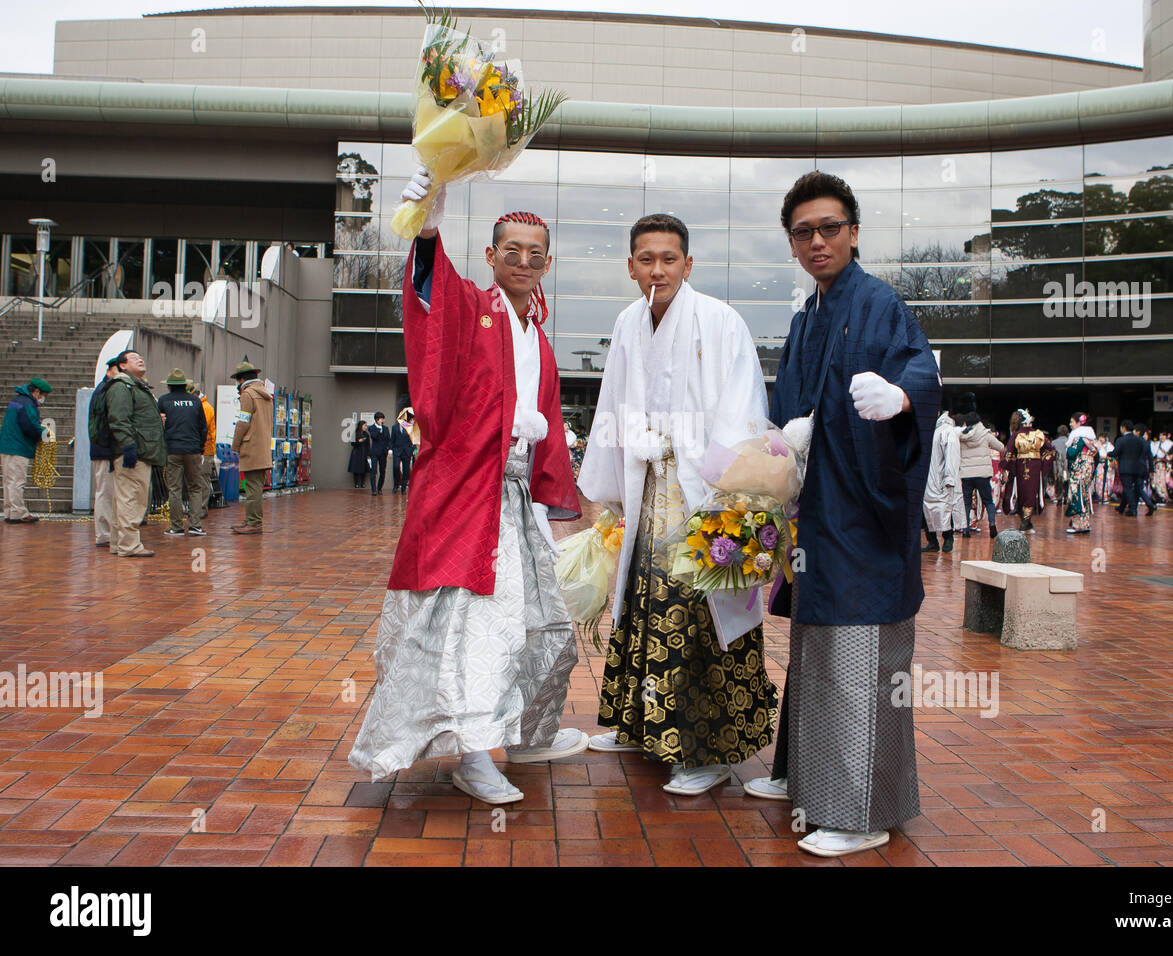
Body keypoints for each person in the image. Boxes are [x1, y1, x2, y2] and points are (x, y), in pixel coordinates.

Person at [349, 172, 588, 804]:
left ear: (547, 262)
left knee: (546, 623)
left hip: (513, 500)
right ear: (490, 256)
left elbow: (546, 424)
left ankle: (529, 731)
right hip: (466, 496)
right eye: (511, 250)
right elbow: (433, 297)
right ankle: (475, 753)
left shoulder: (538, 334)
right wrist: (428, 225)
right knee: (478, 629)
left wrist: (543, 471)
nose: (523, 262)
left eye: (536, 253)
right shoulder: (473, 309)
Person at [745, 171, 941, 858]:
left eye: (830, 227)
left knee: (859, 651)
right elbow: (792, 409)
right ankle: (803, 774)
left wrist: (902, 399)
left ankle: (862, 811)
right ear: (792, 242)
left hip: (864, 515)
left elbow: (922, 370)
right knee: (814, 646)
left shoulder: (881, 303)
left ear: (854, 232)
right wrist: (783, 440)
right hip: (817, 512)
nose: (818, 240)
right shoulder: (808, 317)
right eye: (804, 231)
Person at [578, 213, 778, 795]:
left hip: (706, 494)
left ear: (688, 265)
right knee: (642, 603)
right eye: (646, 259)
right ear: (631, 266)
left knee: (698, 613)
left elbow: (742, 405)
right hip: (647, 487)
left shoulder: (719, 321)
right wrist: (614, 490)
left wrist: (731, 498)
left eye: (669, 259)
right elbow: (612, 402)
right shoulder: (626, 322)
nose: (657, 270)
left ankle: (707, 748)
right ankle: (644, 725)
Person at [105, 351, 165, 557]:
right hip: (134, 451)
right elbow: (119, 418)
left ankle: (118, 543)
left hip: (138, 450)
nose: (140, 360)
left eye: (141, 357)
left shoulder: (134, 386)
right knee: (133, 499)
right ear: (122, 365)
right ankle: (129, 545)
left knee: (123, 499)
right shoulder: (123, 387)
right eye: (134, 358)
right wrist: (128, 446)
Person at [156, 368, 209, 537]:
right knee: (195, 488)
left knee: (174, 489)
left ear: (169, 386)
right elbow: (203, 427)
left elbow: (157, 425)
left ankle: (176, 526)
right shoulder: (195, 401)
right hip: (193, 449)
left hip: (172, 449)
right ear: (185, 385)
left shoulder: (164, 401)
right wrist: (200, 448)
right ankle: (195, 525)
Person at [1, 376, 52, 523]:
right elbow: (30, 425)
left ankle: (10, 511)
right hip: (18, 446)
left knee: (9, 481)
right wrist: (43, 433)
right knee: (17, 480)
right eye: (43, 395)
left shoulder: (17, 400)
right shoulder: (27, 403)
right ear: (36, 392)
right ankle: (18, 513)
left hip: (7, 445)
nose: (43, 399)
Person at [230, 357, 272, 534]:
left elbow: (243, 422)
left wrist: (235, 444)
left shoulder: (248, 394)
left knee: (252, 488)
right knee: (255, 485)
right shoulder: (265, 395)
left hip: (250, 445)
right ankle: (250, 520)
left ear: (241, 379)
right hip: (262, 446)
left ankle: (253, 523)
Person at [1001, 408, 1053, 533]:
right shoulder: (1039, 434)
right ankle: (1026, 521)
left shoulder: (1016, 435)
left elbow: (1009, 452)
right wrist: (1043, 463)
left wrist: (1007, 466)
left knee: (1022, 492)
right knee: (1031, 492)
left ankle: (1025, 521)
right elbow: (1050, 450)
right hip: (1035, 466)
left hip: (1020, 466)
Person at [922, 407, 966, 552]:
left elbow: (952, 456)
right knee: (927, 512)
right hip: (928, 479)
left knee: (945, 509)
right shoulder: (929, 429)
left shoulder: (947, 431)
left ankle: (948, 538)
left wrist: (949, 477)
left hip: (941, 479)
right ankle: (932, 541)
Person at [88, 357, 121, 544]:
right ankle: (104, 533)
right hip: (105, 450)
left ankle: (108, 532)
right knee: (105, 492)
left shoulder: (106, 389)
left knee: (108, 492)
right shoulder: (105, 391)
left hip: (105, 448)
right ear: (110, 371)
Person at [958, 411, 1003, 538]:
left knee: (966, 503)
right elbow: (1000, 447)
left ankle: (966, 528)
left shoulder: (961, 435)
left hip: (966, 474)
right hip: (982, 474)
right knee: (988, 501)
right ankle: (992, 524)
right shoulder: (985, 434)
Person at [1064, 412, 1098, 535]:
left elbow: (1071, 454)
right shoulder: (1090, 438)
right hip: (1088, 468)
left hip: (1079, 469)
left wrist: (1069, 448)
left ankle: (1078, 525)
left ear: (1079, 423)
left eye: (1072, 422)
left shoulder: (1078, 437)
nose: (1070, 424)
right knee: (1084, 495)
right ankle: (1085, 523)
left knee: (1076, 495)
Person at [1113, 420, 1156, 517]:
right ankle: (1123, 506)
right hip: (1142, 468)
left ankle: (1145, 505)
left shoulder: (1132, 441)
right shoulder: (1145, 442)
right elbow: (1150, 456)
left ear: (1138, 432)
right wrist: (1151, 470)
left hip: (1131, 467)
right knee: (1135, 488)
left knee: (1133, 488)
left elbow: (1118, 452)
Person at [191, 381, 216, 520]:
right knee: (199, 479)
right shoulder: (200, 405)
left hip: (205, 449)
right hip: (201, 448)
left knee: (202, 479)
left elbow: (203, 429)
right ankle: (198, 508)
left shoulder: (205, 407)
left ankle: (202, 508)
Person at [390, 410, 414, 494]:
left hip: (407, 452)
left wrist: (411, 451)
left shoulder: (410, 427)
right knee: (396, 467)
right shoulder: (394, 427)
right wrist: (390, 450)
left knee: (406, 470)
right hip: (397, 451)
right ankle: (396, 485)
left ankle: (403, 487)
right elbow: (392, 440)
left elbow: (413, 440)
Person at [367, 411, 390, 495]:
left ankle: (379, 488)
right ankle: (373, 490)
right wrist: (379, 428)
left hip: (383, 453)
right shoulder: (371, 428)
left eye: (383, 419)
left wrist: (389, 450)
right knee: (373, 471)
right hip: (374, 452)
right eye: (381, 419)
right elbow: (374, 437)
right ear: (377, 419)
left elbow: (388, 440)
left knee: (382, 471)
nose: (383, 420)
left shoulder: (386, 428)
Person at [347, 417, 370, 488]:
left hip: (364, 452)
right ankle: (356, 483)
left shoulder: (366, 434)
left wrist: (368, 454)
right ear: (361, 426)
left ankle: (363, 483)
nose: (365, 427)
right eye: (364, 426)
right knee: (356, 468)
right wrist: (358, 441)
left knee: (364, 468)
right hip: (357, 452)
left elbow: (368, 445)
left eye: (366, 426)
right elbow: (352, 444)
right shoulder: (355, 433)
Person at [1051, 424, 1069, 507]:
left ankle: (1059, 499)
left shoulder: (1054, 442)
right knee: (1067, 481)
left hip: (1057, 465)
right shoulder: (1069, 441)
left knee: (1058, 481)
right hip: (1067, 463)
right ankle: (1066, 497)